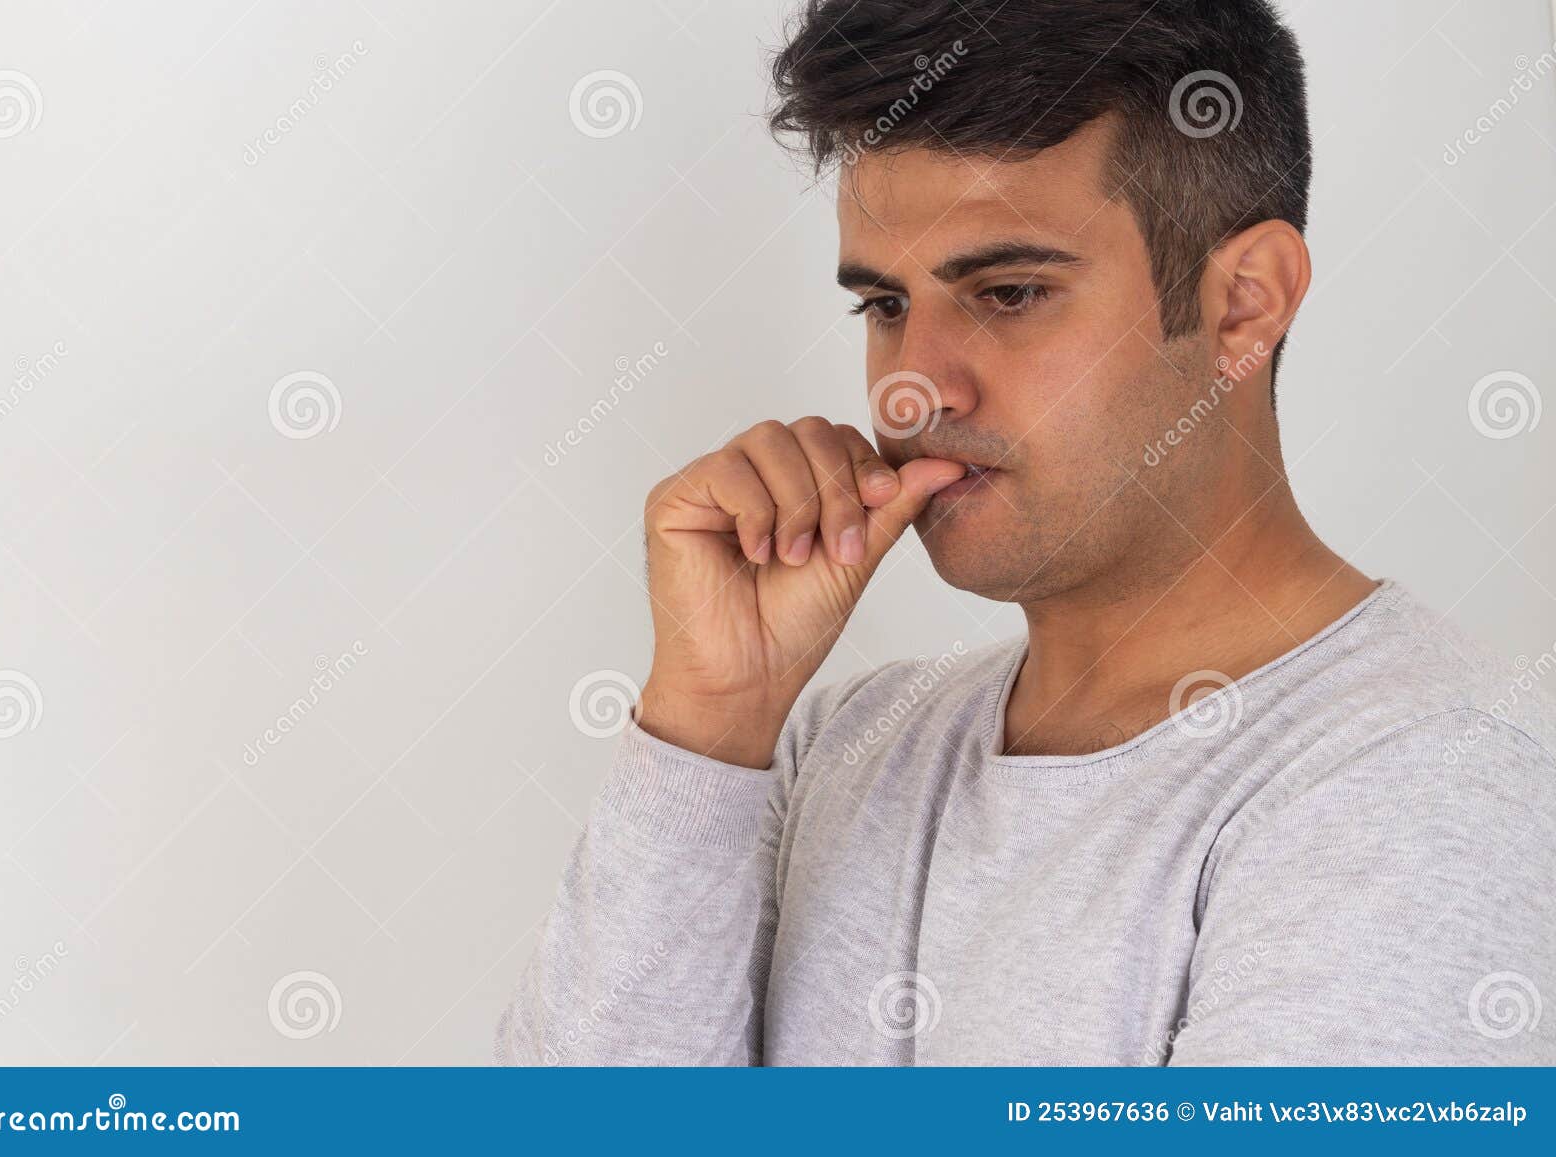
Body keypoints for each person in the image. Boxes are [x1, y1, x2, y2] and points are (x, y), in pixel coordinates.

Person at [498, 0, 1556, 1064]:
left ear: (1244, 302)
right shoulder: (842, 744)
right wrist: (709, 723)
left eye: (1008, 292)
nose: (913, 389)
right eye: (883, 304)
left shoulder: (1420, 781)